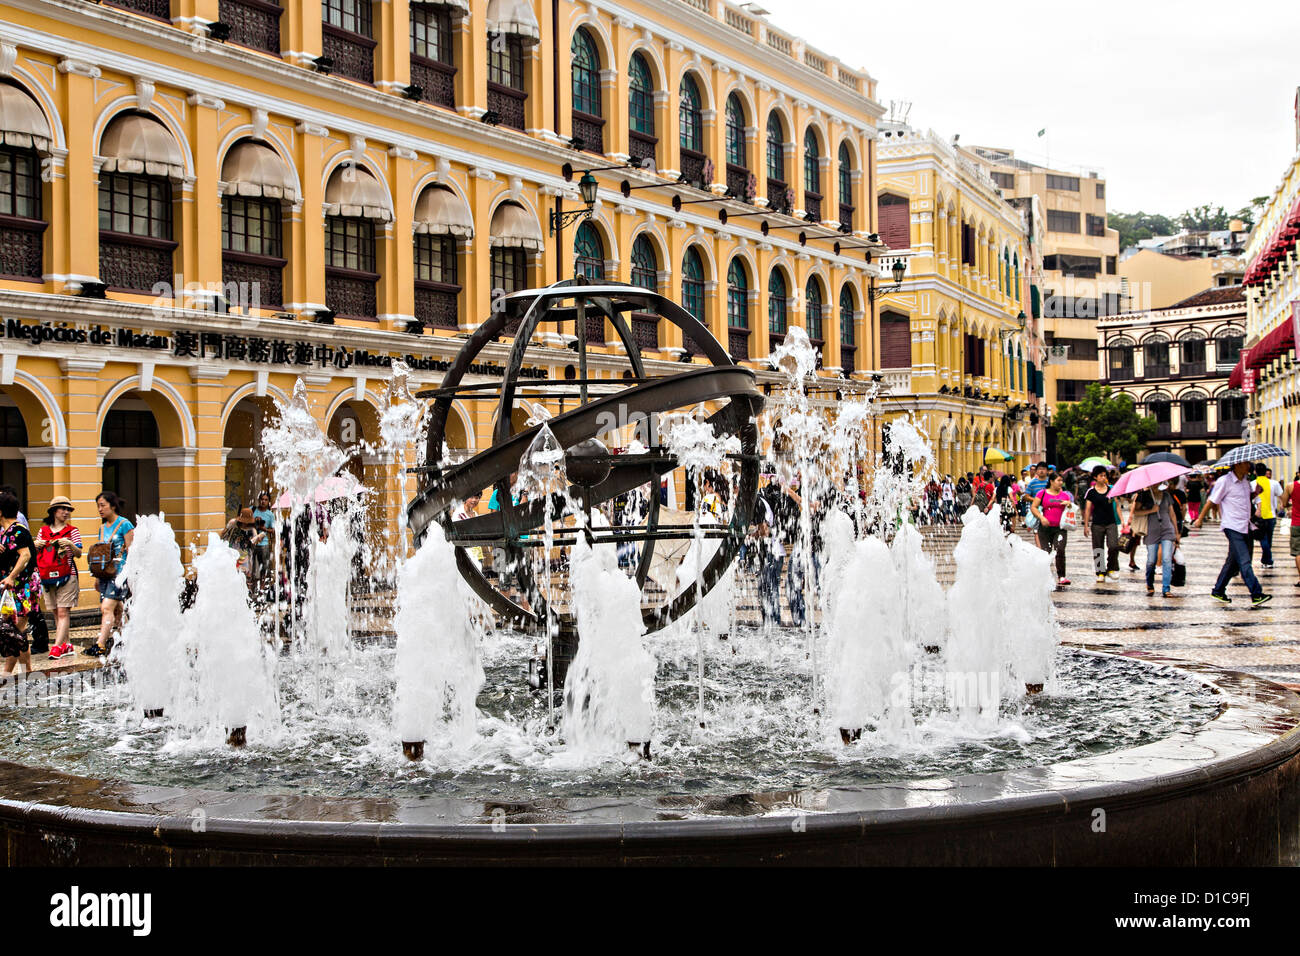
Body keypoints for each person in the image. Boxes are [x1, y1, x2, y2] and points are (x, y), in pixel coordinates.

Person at [1194, 460, 1270, 607]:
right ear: (1237, 465)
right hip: (1232, 526)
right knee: (1245, 560)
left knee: (1233, 562)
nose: (1249, 466)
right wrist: (1200, 519)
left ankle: (1218, 590)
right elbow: (1212, 501)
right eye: (1246, 464)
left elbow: (1247, 500)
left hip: (1246, 525)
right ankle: (1256, 594)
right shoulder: (1225, 481)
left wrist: (1256, 493)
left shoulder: (1246, 481)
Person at [34, 496, 83, 660]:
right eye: (63, 509)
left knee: (63, 612)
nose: (66, 512)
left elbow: (79, 553)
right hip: (47, 577)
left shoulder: (73, 531)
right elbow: (36, 553)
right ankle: (66, 644)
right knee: (56, 613)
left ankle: (55, 648)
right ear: (54, 511)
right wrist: (35, 544)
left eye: (69, 509)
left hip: (67, 576)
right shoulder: (43, 531)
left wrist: (69, 544)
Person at [88, 491, 134, 657]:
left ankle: (100, 644)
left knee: (106, 607)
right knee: (117, 610)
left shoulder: (125, 525)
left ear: (113, 506)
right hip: (105, 574)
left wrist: (132, 576)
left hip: (120, 573)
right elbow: (102, 554)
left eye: (103, 505)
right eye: (98, 506)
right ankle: (125, 639)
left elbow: (131, 550)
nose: (100, 509)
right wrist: (97, 577)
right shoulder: (101, 528)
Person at [0, 490, 40, 675]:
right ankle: (29, 672)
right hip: (12, 589)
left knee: (14, 632)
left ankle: (7, 674)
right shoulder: (6, 533)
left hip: (22, 588)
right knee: (16, 632)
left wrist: (11, 576)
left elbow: (26, 555)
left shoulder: (17, 530)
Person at [1133, 483, 1181, 597]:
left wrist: (1177, 531)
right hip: (1151, 531)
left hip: (1167, 529)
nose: (1155, 485)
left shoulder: (1166, 495)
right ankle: (1150, 584)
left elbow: (1172, 514)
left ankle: (1166, 589)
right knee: (1151, 561)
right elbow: (1136, 511)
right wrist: (1151, 510)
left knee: (1166, 559)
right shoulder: (1143, 495)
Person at [1030, 471, 1073, 587]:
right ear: (1051, 481)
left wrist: (1069, 505)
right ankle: (1044, 575)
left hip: (1060, 528)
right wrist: (1041, 517)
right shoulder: (1042, 493)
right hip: (1045, 528)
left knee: (1060, 550)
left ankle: (1061, 576)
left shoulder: (1065, 495)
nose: (1061, 483)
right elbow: (1033, 507)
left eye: (1061, 480)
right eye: (1058, 480)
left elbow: (1071, 510)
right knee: (1045, 552)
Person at [1083, 466, 1120, 583]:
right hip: (1097, 523)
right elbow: (1088, 509)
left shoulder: (1111, 489)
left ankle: (1112, 568)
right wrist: (1086, 525)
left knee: (1113, 546)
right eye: (1101, 475)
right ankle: (1100, 572)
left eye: (1105, 475)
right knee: (1098, 548)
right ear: (1095, 477)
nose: (1103, 478)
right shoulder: (1091, 491)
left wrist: (1123, 521)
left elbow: (1117, 505)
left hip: (1111, 522)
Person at [1254, 463, 1277, 569]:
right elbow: (1280, 495)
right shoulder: (1274, 483)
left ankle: (1267, 560)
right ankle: (1267, 560)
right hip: (1271, 515)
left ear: (1255, 472)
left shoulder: (1252, 483)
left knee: (1263, 539)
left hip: (1259, 515)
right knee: (1269, 539)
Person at [251, 492, 276, 588]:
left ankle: (261, 586)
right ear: (259, 500)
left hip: (264, 544)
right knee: (252, 566)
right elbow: (244, 520)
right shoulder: (252, 510)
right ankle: (252, 586)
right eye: (262, 499)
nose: (263, 501)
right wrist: (254, 522)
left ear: (268, 501)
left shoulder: (270, 515)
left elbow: (273, 530)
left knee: (264, 566)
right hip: (252, 543)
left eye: (266, 500)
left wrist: (263, 528)